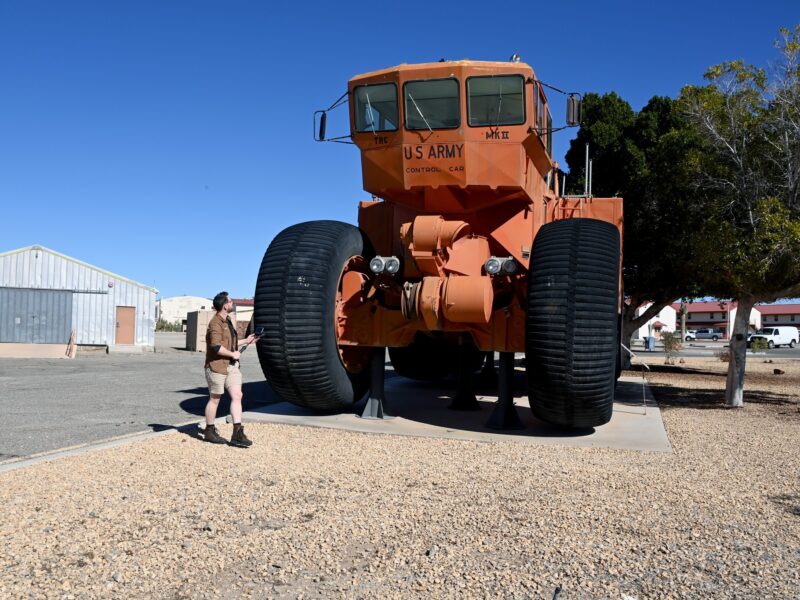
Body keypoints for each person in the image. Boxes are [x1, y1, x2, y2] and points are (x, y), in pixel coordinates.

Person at [202, 291, 258, 447]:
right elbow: (216, 346)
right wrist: (232, 353)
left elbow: (230, 344)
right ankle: (209, 430)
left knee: (237, 395)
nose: (232, 303)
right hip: (217, 366)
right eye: (231, 301)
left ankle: (237, 433)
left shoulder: (228, 321)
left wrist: (247, 340)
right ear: (224, 305)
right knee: (215, 398)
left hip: (232, 366)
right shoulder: (215, 323)